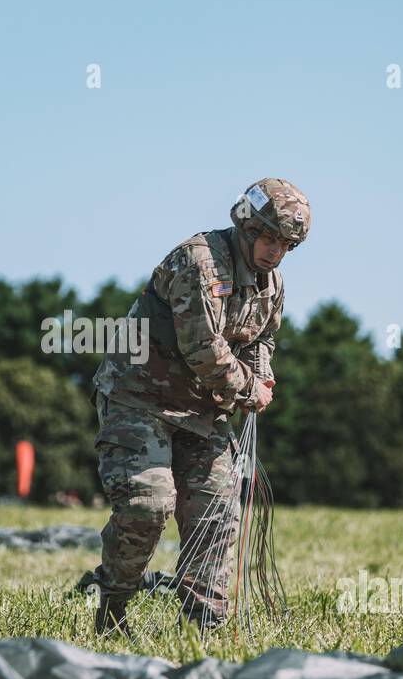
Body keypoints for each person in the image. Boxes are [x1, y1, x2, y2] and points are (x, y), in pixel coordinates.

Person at [90, 178, 311, 632]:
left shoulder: (272, 285)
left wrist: (261, 373)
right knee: (148, 504)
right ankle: (112, 610)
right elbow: (204, 350)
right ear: (247, 228)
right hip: (139, 398)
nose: (275, 252)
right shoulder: (200, 261)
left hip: (203, 410)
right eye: (269, 238)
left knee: (216, 510)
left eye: (286, 245)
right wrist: (250, 390)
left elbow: (262, 337)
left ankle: (200, 628)